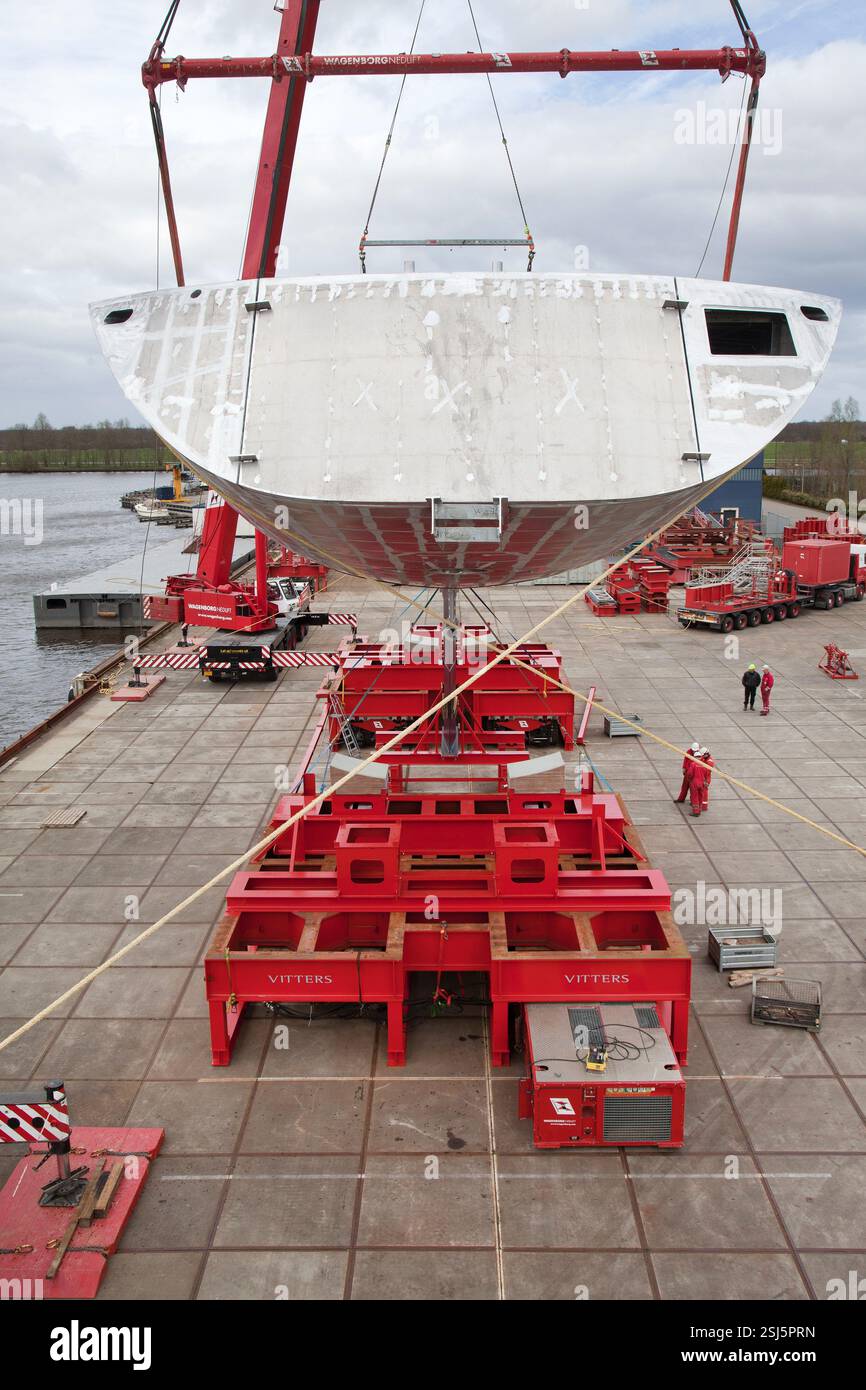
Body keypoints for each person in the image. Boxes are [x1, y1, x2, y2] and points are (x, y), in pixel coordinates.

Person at [698, 747, 715, 811]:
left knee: (704, 792)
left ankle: (704, 807)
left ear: (706, 754)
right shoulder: (704, 758)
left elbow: (707, 773)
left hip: (706, 778)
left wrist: (705, 781)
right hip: (703, 777)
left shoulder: (709, 762)